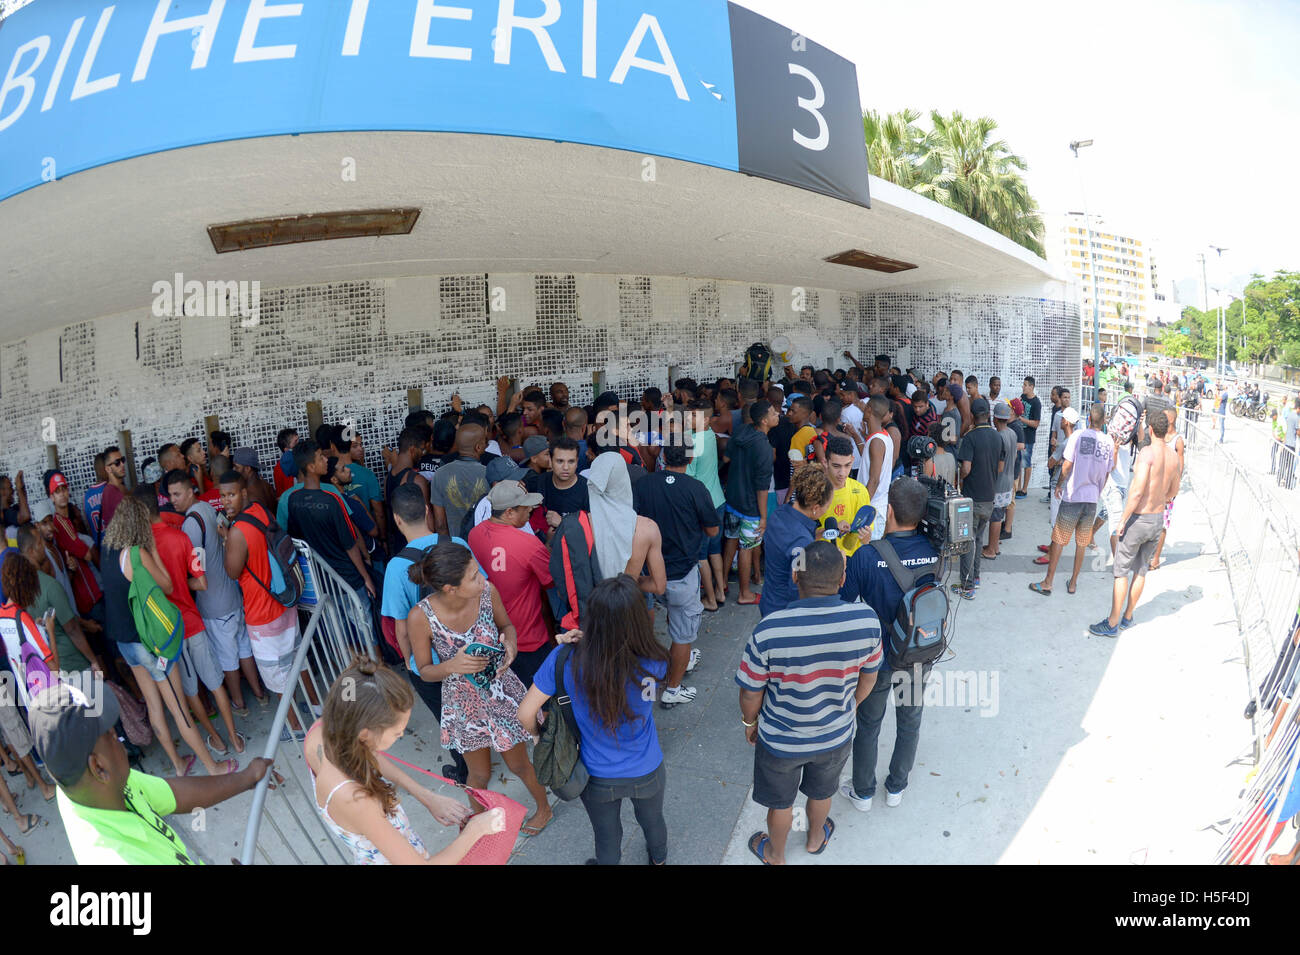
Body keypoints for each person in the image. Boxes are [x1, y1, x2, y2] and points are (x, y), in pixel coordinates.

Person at [737, 541, 881, 865]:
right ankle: (816, 840)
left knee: (781, 803)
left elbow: (750, 692)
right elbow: (868, 678)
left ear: (794, 576)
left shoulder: (769, 630)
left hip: (780, 740)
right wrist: (850, 707)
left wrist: (750, 723)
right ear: (843, 579)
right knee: (821, 793)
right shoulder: (866, 621)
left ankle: (775, 854)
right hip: (835, 735)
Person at [517, 575, 670, 865]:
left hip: (596, 775)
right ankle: (659, 860)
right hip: (647, 766)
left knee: (607, 837)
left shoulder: (564, 659)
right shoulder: (656, 659)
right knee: (653, 823)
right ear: (638, 618)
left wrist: (539, 736)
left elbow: (525, 713)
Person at [30, 682, 272, 864]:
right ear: (99, 768)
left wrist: (246, 778)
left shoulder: (82, 786)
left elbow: (171, 794)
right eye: (113, 735)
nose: (121, 740)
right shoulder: (116, 860)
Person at [405, 541, 553, 835]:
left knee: (519, 764)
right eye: (473, 576)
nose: (482, 579)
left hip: (501, 693)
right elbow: (424, 671)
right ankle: (481, 826)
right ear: (451, 588)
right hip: (463, 704)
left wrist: (510, 647)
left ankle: (544, 809)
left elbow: (507, 627)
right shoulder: (420, 617)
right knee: (479, 773)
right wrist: (452, 666)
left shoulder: (488, 593)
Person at [303, 657, 505, 865]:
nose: (399, 737)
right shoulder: (356, 800)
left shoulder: (328, 729)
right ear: (365, 735)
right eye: (397, 733)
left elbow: (369, 756)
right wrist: (476, 830)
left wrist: (426, 796)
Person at [104, 493, 235, 776]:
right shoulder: (138, 553)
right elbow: (165, 584)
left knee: (154, 706)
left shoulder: (108, 551)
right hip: (149, 642)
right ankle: (212, 767)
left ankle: (177, 764)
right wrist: (151, 552)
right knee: (178, 708)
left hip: (124, 642)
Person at [838, 477, 936, 811]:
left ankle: (863, 792)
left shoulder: (865, 556)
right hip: (918, 652)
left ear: (889, 510)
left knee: (868, 723)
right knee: (910, 720)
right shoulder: (934, 551)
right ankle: (897, 787)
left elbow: (843, 600)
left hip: (876, 657)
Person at [141, 486, 243, 763]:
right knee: (214, 684)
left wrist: (168, 588)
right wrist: (181, 588)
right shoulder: (182, 538)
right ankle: (235, 736)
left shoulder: (141, 552)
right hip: (193, 622)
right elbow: (201, 582)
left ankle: (217, 740)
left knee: (190, 690)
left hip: (168, 631)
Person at [165, 470, 266, 717]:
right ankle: (260, 695)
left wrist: (177, 583)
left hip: (214, 605)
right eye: (170, 495)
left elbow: (197, 573)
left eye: (178, 494)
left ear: (191, 492)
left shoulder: (191, 523)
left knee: (227, 657)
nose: (173, 500)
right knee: (244, 649)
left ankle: (239, 704)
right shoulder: (208, 510)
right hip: (233, 595)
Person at [219, 471, 306, 736]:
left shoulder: (237, 532)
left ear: (243, 493)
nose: (226, 501)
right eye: (222, 496)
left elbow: (232, 572)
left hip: (262, 614)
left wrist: (225, 540)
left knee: (276, 676)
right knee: (297, 660)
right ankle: (314, 704)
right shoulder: (260, 510)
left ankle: (293, 726)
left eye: (231, 494)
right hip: (284, 600)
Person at [633, 443, 718, 707]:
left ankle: (668, 666)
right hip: (682, 574)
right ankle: (672, 689)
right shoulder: (696, 488)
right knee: (683, 636)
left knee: (662, 624)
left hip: (647, 575)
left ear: (663, 456)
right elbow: (713, 531)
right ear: (690, 458)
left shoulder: (643, 485)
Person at [1089, 409, 1181, 636]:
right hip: (1157, 519)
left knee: (1121, 572)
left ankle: (1112, 623)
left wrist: (1123, 520)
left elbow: (1137, 490)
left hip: (1139, 518)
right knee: (1141, 571)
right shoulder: (1173, 457)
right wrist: (1160, 498)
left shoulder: (1147, 453)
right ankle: (1127, 616)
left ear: (1150, 429)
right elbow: (1174, 491)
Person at [468, 481, 556, 689]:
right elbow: (552, 580)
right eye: (525, 507)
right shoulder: (529, 544)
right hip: (527, 637)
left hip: (491, 635)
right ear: (508, 512)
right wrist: (550, 545)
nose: (531, 510)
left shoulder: (474, 534)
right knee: (541, 700)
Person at [1030, 404, 1112, 598]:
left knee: (1059, 538)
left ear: (1089, 419)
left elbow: (1067, 466)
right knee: (1082, 542)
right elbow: (1107, 473)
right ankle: (1073, 582)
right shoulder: (1108, 442)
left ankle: (1048, 582)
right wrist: (1097, 491)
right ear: (1104, 421)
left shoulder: (1078, 436)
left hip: (1073, 495)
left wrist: (1059, 485)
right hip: (1092, 499)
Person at [954, 398, 1004, 599]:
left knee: (967, 541)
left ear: (973, 416)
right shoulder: (997, 436)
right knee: (978, 537)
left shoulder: (970, 438)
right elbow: (1000, 467)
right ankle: (975, 578)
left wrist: (962, 478)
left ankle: (967, 587)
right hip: (989, 498)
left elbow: (965, 468)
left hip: (972, 498)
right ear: (989, 415)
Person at [685, 399, 727, 609]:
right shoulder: (711, 436)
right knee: (714, 550)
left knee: (701, 555)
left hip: (701, 505)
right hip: (718, 500)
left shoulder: (691, 442)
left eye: (694, 416)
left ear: (707, 419)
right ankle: (720, 590)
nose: (689, 419)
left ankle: (709, 599)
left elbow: (687, 477)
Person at [430, 423, 490, 539]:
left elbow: (440, 524)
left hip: (455, 546)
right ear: (478, 447)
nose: (486, 445)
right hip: (483, 545)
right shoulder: (489, 473)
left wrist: (448, 549)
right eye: (484, 441)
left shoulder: (440, 474)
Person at [984, 402, 1023, 560]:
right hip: (1008, 479)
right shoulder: (1012, 433)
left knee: (995, 516)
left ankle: (992, 550)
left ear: (995, 418)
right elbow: (1013, 457)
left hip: (999, 482)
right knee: (998, 514)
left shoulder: (998, 437)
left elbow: (996, 466)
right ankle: (994, 546)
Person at [822, 436, 873, 556]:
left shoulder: (860, 490)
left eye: (847, 465)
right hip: (822, 562)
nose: (842, 473)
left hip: (852, 561)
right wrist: (831, 530)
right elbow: (803, 534)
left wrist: (866, 538)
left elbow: (866, 538)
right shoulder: (814, 491)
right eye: (836, 466)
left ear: (853, 460)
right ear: (825, 462)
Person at [862, 395, 894, 541]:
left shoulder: (876, 441)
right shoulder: (884, 436)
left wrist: (862, 509)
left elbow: (874, 480)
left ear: (869, 410)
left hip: (873, 511)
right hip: (877, 508)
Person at [1017, 377, 1042, 498]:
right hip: (1019, 435)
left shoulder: (1036, 403)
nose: (1023, 386)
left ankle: (1024, 489)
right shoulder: (1022, 397)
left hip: (1028, 437)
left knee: (1026, 463)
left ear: (1031, 387)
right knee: (1018, 461)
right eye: (1023, 384)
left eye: (1025, 385)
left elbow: (1036, 423)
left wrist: (1021, 419)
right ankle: (1018, 487)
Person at [232, 447, 276, 512]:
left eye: (237, 467)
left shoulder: (249, 497)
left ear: (247, 469)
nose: (234, 469)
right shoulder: (266, 485)